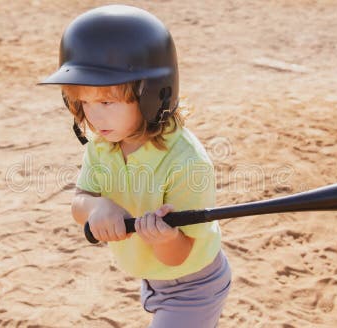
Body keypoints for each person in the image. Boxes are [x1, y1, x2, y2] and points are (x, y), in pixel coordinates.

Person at [39, 5, 231, 327]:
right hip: (152, 279)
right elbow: (79, 202)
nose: (94, 117)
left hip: (194, 284)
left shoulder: (186, 162)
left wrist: (165, 239)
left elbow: (178, 256)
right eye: (84, 103)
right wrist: (97, 207)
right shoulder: (102, 146)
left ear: (152, 95)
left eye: (106, 102)